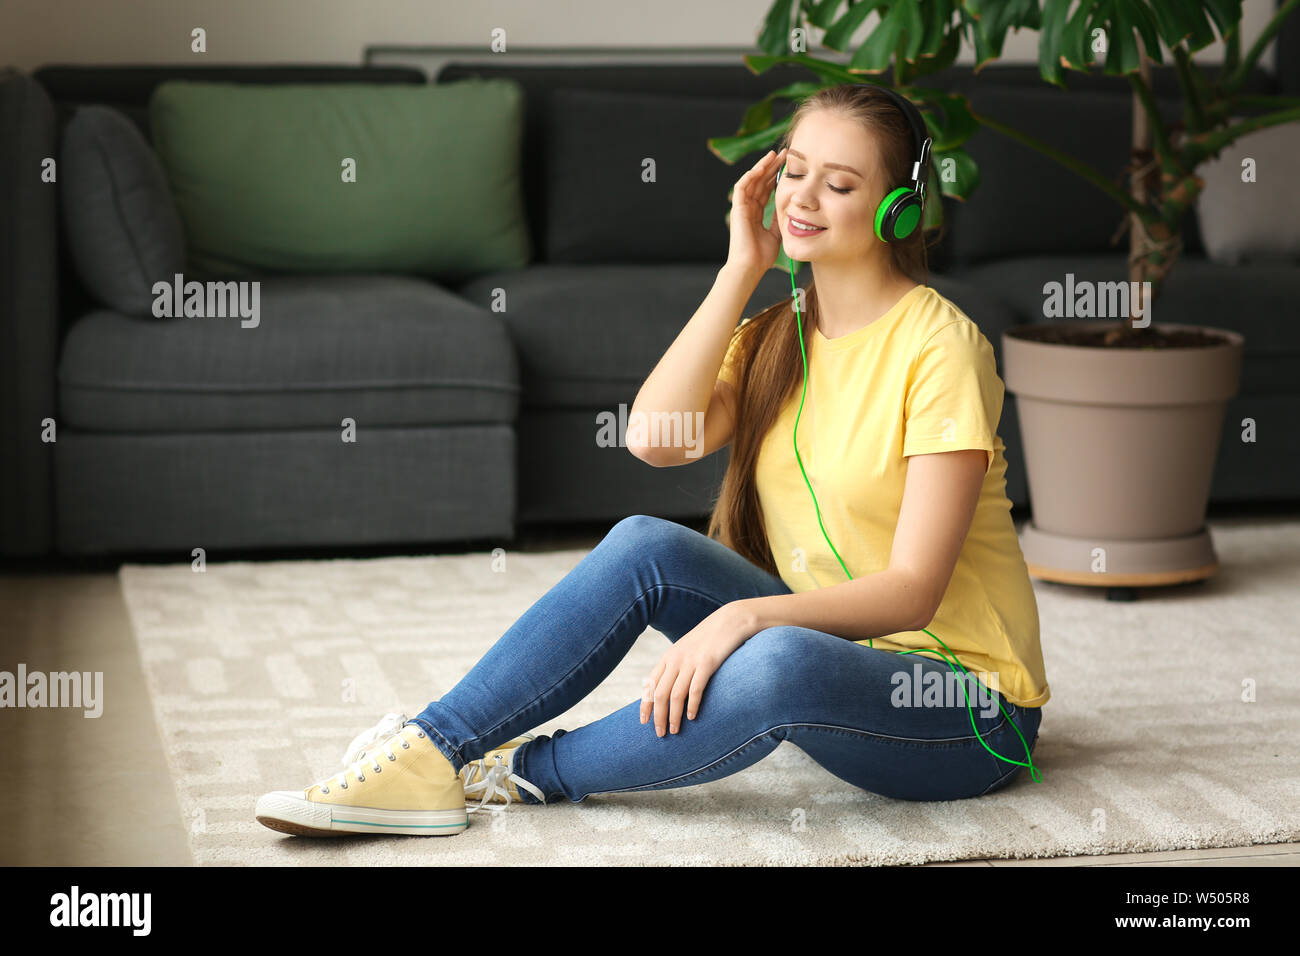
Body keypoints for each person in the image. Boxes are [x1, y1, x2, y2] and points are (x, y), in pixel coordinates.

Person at [254, 82, 1050, 838]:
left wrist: (746, 616)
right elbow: (654, 439)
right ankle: (434, 752)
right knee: (646, 544)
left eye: (839, 185)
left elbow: (913, 593)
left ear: (897, 208)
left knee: (774, 659)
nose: (803, 199)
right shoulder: (779, 332)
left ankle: (525, 771)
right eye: (794, 173)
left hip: (967, 710)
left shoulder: (941, 347)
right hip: (843, 664)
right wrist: (741, 268)